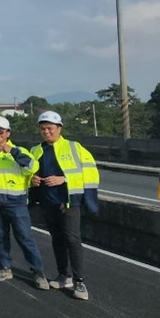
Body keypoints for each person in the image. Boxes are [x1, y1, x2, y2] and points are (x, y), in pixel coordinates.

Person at [28, 110, 100, 301]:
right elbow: (27, 172)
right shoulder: (36, 150)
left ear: (59, 128)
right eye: (43, 129)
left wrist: (64, 178)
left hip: (68, 202)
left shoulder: (74, 148)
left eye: (50, 128)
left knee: (72, 240)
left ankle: (80, 281)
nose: (46, 132)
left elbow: (91, 173)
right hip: (47, 202)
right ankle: (63, 275)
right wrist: (31, 179)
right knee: (57, 239)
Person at [0, 116, 48, 290]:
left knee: (25, 237)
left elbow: (32, 167)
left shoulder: (19, 151)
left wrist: (12, 151)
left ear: (8, 133)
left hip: (16, 202)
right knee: (0, 237)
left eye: (0, 131)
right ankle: (5, 267)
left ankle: (38, 272)